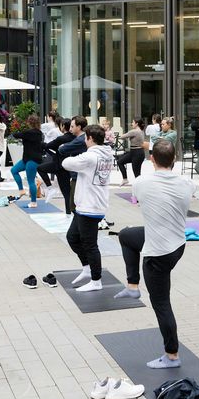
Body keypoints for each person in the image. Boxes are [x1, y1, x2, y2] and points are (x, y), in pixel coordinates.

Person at [114, 139, 197, 368]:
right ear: (175, 160)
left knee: (162, 304)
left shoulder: (141, 182)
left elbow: (139, 200)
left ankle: (172, 355)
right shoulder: (187, 184)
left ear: (152, 159)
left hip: (158, 253)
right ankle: (132, 286)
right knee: (126, 235)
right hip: (177, 245)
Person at [60, 124, 114, 291]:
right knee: (72, 237)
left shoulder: (90, 157)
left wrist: (71, 151)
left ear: (90, 138)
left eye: (85, 137)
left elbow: (66, 163)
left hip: (90, 207)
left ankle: (96, 280)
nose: (84, 140)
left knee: (90, 244)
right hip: (87, 205)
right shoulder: (106, 154)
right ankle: (87, 268)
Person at [54, 116, 89, 213]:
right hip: (82, 173)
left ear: (79, 127)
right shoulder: (83, 138)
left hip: (78, 175)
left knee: (74, 205)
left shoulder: (79, 140)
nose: (70, 129)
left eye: (72, 127)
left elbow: (62, 149)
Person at [11, 113, 46, 208]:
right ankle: (21, 190)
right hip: (27, 159)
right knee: (14, 170)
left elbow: (15, 135)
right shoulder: (40, 133)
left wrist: (18, 128)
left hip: (32, 160)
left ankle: (33, 202)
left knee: (31, 181)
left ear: (29, 122)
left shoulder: (29, 133)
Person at [37, 118, 72, 202]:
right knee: (67, 193)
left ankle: (50, 188)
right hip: (69, 165)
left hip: (59, 165)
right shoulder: (75, 138)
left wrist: (41, 144)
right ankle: (69, 213)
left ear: (63, 126)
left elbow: (48, 146)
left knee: (66, 192)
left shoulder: (61, 138)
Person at [117, 118, 147, 185]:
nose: (131, 124)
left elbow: (122, 136)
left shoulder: (134, 131)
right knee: (120, 161)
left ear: (136, 124)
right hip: (135, 152)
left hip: (137, 153)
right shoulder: (141, 131)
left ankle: (140, 189)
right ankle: (125, 179)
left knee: (137, 174)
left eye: (133, 122)